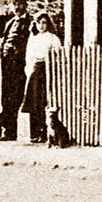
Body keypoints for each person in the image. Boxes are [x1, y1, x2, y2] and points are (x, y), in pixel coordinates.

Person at [0, 0, 32, 141]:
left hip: (22, 67)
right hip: (8, 68)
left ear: (26, 4)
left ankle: (0, 121)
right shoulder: (10, 23)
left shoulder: (31, 22)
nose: (17, 7)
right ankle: (9, 132)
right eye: (14, 4)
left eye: (20, 4)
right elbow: (3, 43)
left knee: (18, 99)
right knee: (7, 99)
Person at [23, 12, 62, 143]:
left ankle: (45, 133)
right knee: (34, 102)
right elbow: (28, 57)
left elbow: (58, 55)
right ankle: (34, 133)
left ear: (48, 24)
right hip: (35, 70)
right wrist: (29, 70)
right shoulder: (33, 39)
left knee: (44, 101)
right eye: (39, 22)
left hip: (47, 69)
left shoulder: (52, 38)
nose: (41, 25)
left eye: (44, 22)